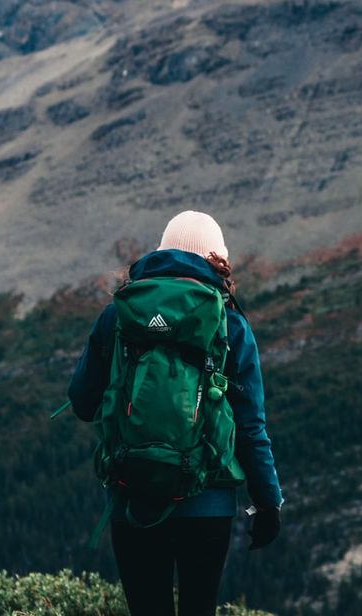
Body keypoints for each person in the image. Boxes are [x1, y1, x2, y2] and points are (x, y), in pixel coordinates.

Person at [67, 210, 284, 616]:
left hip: (132, 492)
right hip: (208, 502)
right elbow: (251, 426)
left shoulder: (118, 314)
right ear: (216, 257)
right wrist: (268, 502)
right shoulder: (229, 321)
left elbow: (82, 401)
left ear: (163, 249)